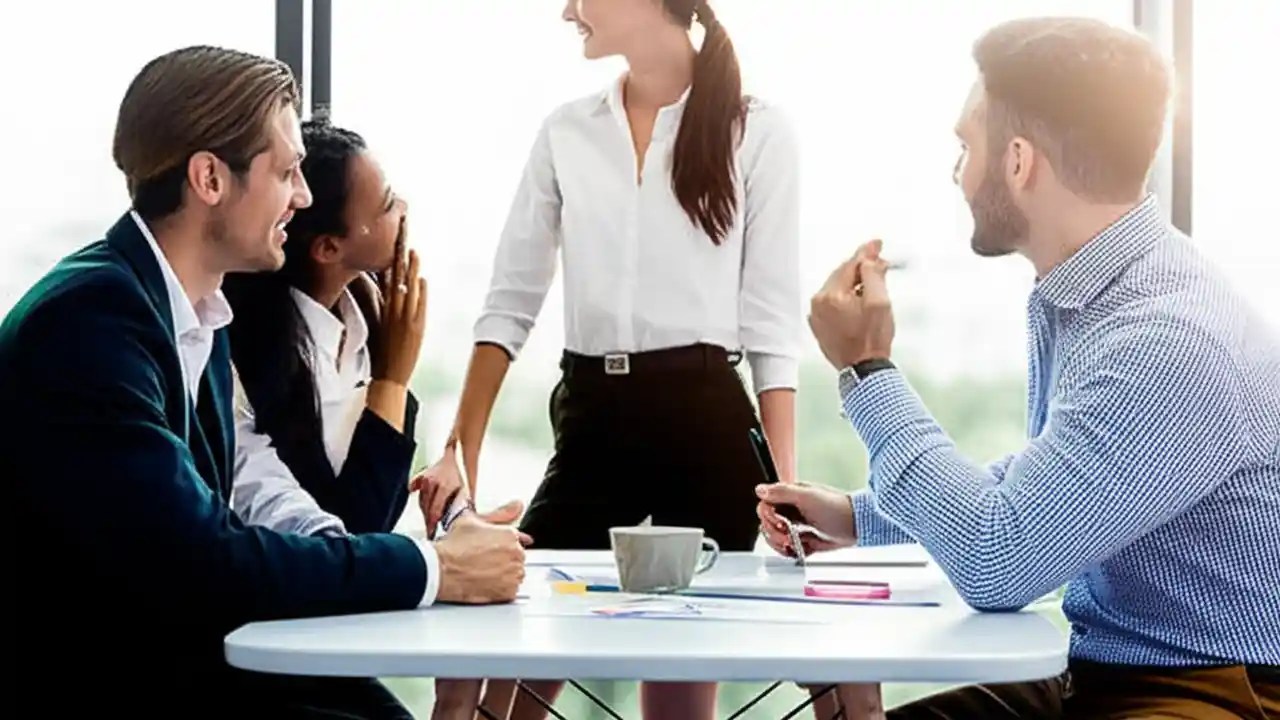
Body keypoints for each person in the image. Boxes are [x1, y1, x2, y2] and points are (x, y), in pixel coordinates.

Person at [758, 16, 1280, 720]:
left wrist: (868, 367)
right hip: (1106, 679)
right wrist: (860, 517)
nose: (955, 172)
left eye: (964, 145)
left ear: (1017, 161)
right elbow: (1055, 488)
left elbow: (997, 559)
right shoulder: (1100, 295)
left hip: (1213, 694)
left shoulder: (1168, 339)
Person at [0, 45, 527, 717]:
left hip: (187, 655)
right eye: (285, 173)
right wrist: (435, 569)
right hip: (118, 678)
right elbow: (199, 563)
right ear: (210, 179)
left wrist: (428, 556)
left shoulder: (197, 314)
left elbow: (259, 487)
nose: (301, 198)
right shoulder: (91, 323)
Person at [420, 1, 802, 717]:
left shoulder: (757, 130)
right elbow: (510, 302)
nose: (568, 10)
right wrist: (455, 451)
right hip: (594, 414)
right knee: (518, 656)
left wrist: (785, 489)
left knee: (682, 684)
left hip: (707, 420)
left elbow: (772, 327)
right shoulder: (566, 131)